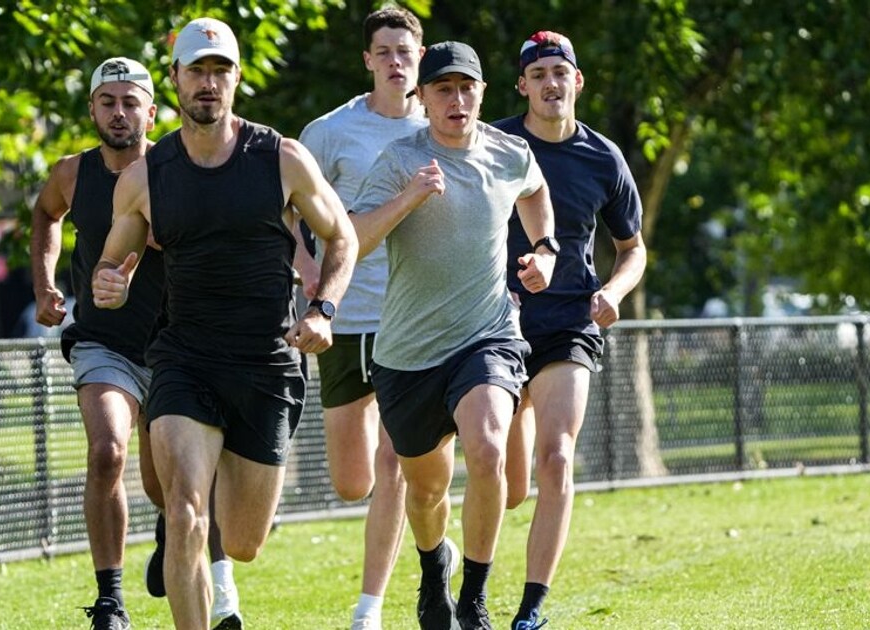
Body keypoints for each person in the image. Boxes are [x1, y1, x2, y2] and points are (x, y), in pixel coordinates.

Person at [91, 17, 357, 630]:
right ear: (175, 80)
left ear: (236, 80)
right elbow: (111, 265)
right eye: (197, 71)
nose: (208, 83)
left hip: (266, 364)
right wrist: (110, 282)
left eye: (220, 71)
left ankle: (211, 518)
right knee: (185, 514)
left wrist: (324, 309)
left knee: (241, 542)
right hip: (185, 358)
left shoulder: (282, 160)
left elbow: (340, 235)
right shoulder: (144, 178)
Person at [348, 41, 556, 630]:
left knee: (489, 449)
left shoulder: (508, 153)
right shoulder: (398, 159)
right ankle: (433, 565)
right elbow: (356, 240)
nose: (457, 99)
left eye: (467, 88)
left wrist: (545, 248)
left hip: (485, 334)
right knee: (425, 490)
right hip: (407, 354)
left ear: (483, 93)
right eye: (443, 89)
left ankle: (475, 595)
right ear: (423, 98)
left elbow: (535, 191)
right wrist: (409, 196)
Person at [29, 56, 241, 630]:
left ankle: (171, 536)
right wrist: (46, 284)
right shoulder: (72, 174)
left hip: (174, 349)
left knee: (168, 486)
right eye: (107, 102)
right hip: (105, 344)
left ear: (153, 111)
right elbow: (46, 215)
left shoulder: (178, 171)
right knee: (106, 453)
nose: (119, 113)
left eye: (130, 103)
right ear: (93, 109)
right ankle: (109, 600)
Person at [493, 31, 647, 630]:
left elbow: (633, 249)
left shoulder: (603, 157)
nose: (551, 83)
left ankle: (531, 610)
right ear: (522, 86)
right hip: (495, 323)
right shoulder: (495, 143)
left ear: (576, 81)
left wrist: (611, 291)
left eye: (561, 72)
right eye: (539, 75)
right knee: (506, 487)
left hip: (568, 324)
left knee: (556, 458)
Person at [295, 7, 426, 629]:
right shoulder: (329, 132)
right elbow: (286, 211)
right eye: (385, 51)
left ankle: (369, 608)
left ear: (419, 56)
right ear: (368, 61)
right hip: (345, 320)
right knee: (352, 482)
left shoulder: (447, 126)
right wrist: (308, 271)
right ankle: (429, 535)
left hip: (418, 322)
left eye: (405, 50)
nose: (396, 61)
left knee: (398, 461)